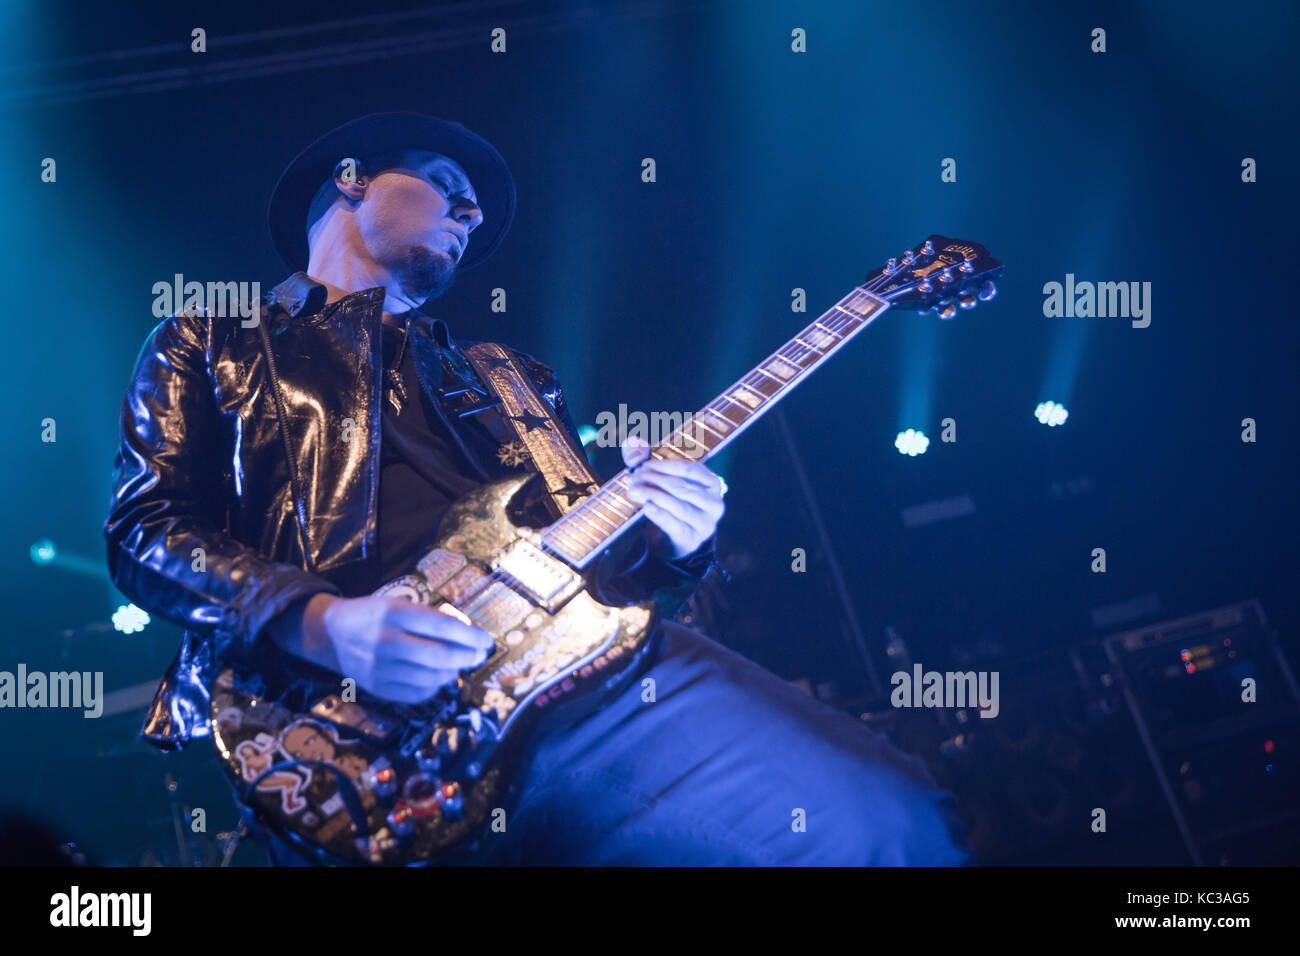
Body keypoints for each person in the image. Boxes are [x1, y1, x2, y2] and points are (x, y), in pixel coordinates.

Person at [104, 112, 971, 865]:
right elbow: (144, 529)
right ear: (350, 180)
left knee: (885, 827)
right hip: (336, 733)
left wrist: (680, 540)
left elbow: (617, 581)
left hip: (578, 691)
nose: (473, 214)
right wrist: (321, 622)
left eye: (475, 203)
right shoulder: (212, 337)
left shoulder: (509, 379)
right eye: (448, 184)